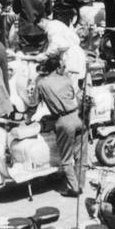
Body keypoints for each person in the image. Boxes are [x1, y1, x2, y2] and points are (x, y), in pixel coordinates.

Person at [30, 52, 85, 196]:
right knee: (80, 155)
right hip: (78, 116)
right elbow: (72, 96)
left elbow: (33, 103)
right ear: (58, 67)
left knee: (66, 158)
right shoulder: (66, 79)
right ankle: (81, 183)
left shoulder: (41, 83)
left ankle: (74, 188)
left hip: (63, 120)